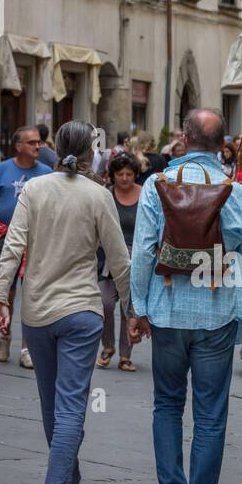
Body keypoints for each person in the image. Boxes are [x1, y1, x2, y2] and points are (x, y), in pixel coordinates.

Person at [128, 109, 242, 484]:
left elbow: (145, 253)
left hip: (167, 311)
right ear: (224, 145)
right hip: (218, 314)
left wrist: (139, 307)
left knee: (167, 404)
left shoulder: (155, 185)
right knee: (210, 416)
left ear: (184, 139)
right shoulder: (238, 194)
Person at [0, 121, 131, 484]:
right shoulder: (98, 195)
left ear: (55, 149)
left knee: (52, 407)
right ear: (91, 153)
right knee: (70, 406)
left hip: (36, 314)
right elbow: (119, 260)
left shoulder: (33, 190)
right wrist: (135, 311)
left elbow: (13, 246)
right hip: (82, 314)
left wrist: (1, 298)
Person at [0, 127, 51, 367]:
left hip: (36, 239)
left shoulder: (46, 173)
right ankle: (4, 335)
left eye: (39, 142)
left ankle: (27, 347)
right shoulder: (2, 169)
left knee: (32, 293)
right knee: (6, 291)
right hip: (5, 237)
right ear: (18, 146)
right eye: (32, 143)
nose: (38, 146)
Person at [97, 153, 142, 372]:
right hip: (107, 260)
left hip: (135, 259)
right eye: (120, 174)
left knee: (128, 308)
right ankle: (107, 347)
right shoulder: (106, 195)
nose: (124, 178)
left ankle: (126, 355)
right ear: (112, 175)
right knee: (104, 303)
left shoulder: (144, 194)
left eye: (129, 174)